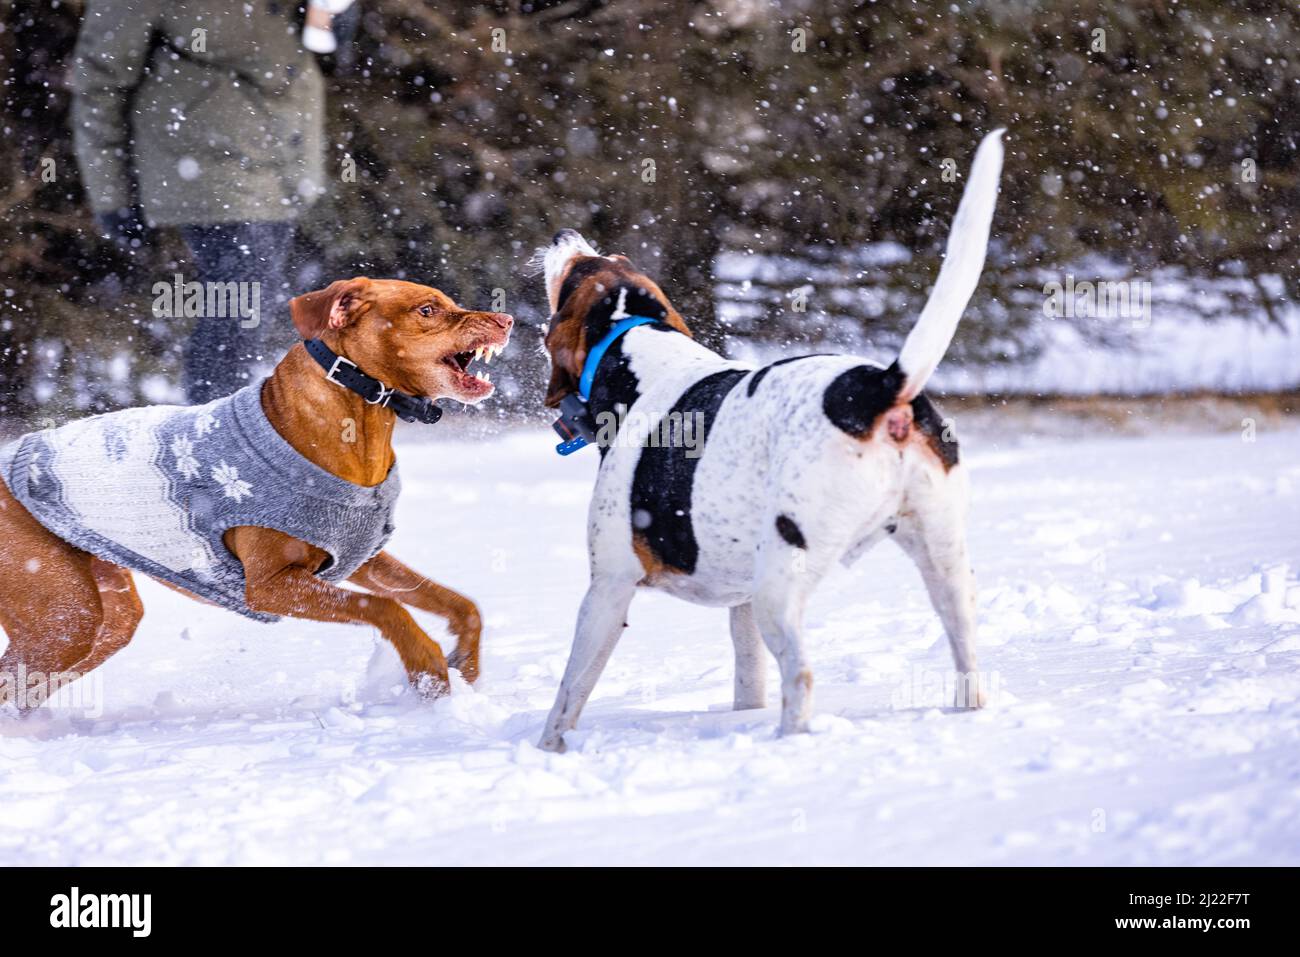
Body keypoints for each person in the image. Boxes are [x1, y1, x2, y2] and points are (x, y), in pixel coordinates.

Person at [70, 0, 326, 403]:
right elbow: (99, 82)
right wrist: (112, 192)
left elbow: (298, 47)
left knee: (253, 301)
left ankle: (226, 427)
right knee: (242, 298)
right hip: (205, 163)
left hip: (280, 164)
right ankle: (214, 434)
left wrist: (333, 23)